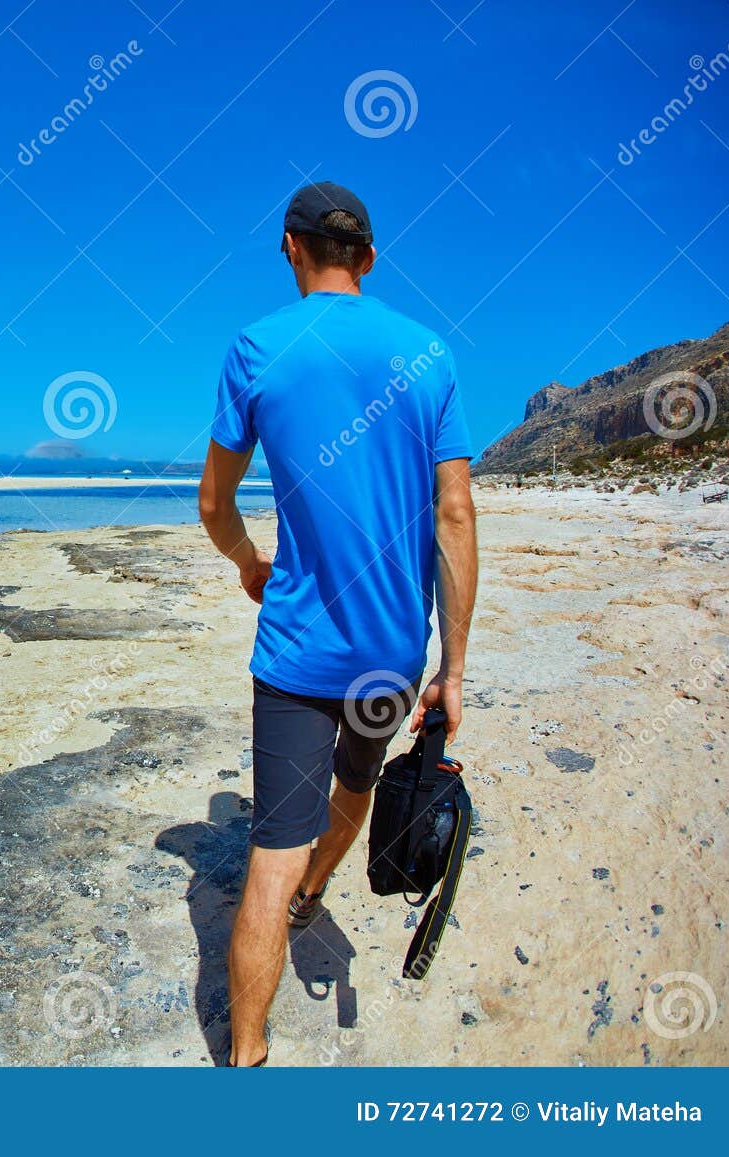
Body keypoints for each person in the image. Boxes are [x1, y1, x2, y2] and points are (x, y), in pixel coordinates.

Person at [197, 182, 478, 1066]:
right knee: (354, 788)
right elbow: (456, 514)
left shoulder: (258, 349)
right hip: (390, 656)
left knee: (267, 856)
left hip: (296, 656)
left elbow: (213, 502)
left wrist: (249, 561)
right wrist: (454, 669)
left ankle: (246, 1059)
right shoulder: (426, 353)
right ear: (368, 257)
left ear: (291, 248)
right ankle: (316, 891)